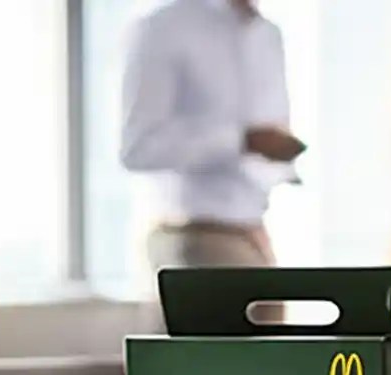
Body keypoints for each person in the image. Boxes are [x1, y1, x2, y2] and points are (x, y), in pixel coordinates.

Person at [119, 0, 306, 282]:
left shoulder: (266, 34)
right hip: (190, 231)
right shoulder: (165, 27)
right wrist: (242, 141)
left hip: (252, 228)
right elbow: (138, 147)